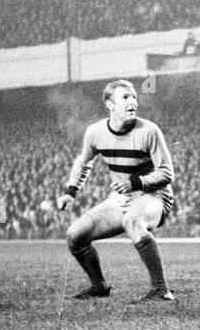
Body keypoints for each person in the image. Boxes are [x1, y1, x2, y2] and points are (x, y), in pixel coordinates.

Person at [56, 80, 175, 302]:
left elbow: (167, 173)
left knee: (133, 222)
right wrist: (70, 192)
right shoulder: (95, 132)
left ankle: (161, 289)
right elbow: (84, 162)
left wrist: (136, 183)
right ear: (109, 105)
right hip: (121, 199)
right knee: (74, 236)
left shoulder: (149, 131)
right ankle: (99, 285)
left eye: (134, 97)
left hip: (154, 196)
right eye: (125, 98)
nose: (133, 102)